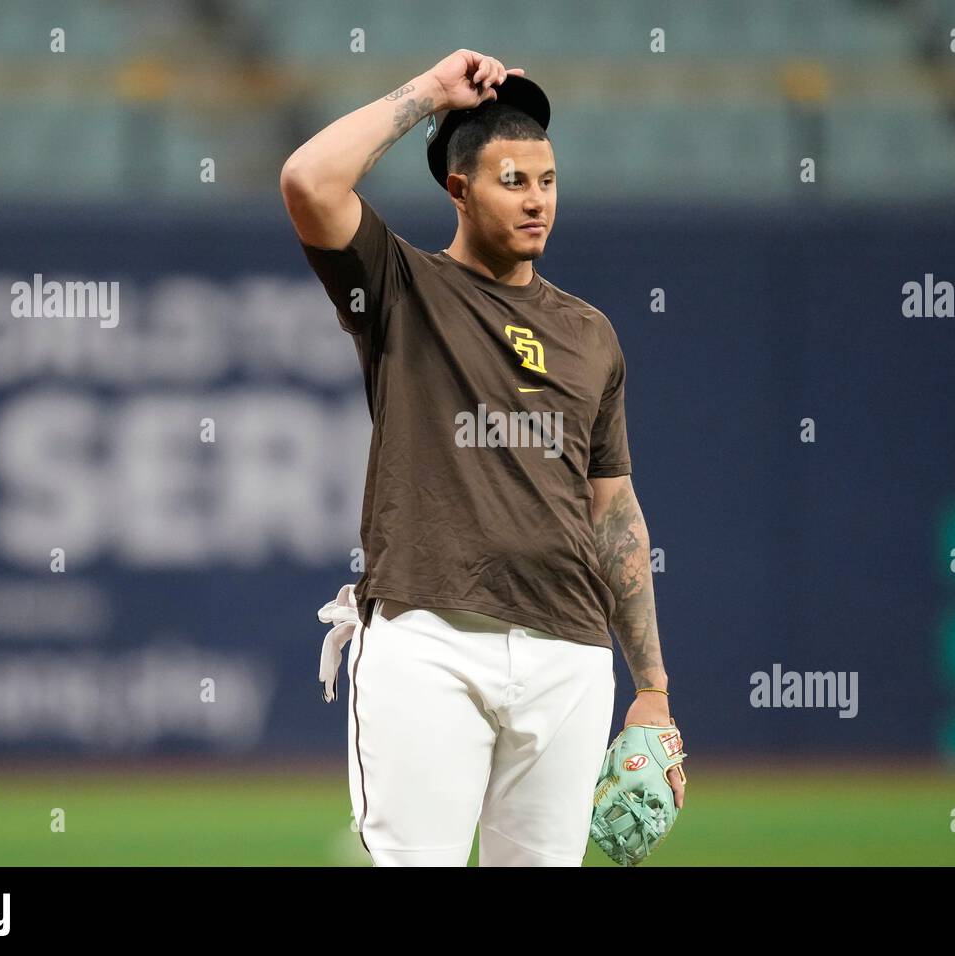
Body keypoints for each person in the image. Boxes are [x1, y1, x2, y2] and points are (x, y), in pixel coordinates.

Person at [282, 48, 684, 867]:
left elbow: (612, 510)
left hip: (569, 650)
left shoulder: (589, 334)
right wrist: (430, 92)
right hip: (429, 637)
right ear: (458, 190)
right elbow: (309, 181)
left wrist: (654, 690)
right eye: (513, 181)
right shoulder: (402, 290)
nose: (538, 200)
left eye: (547, 180)